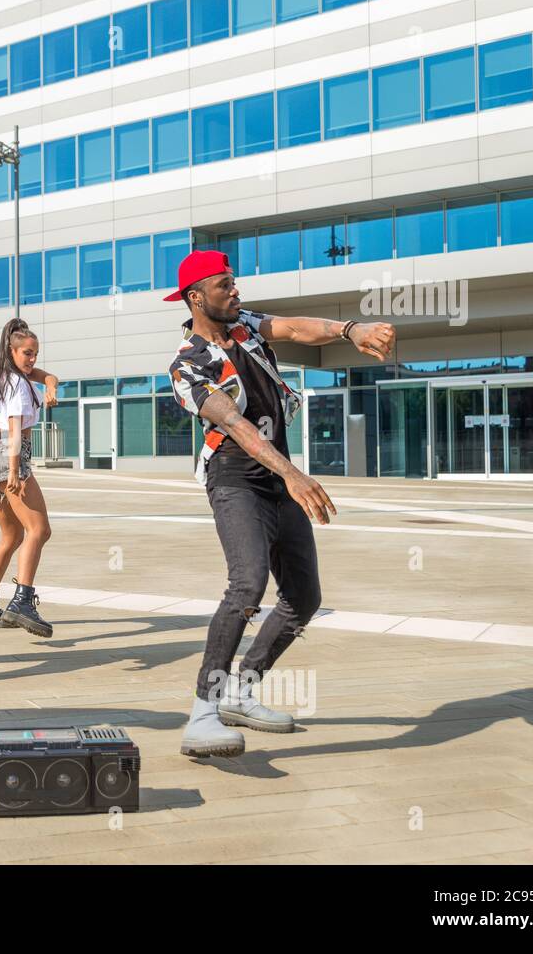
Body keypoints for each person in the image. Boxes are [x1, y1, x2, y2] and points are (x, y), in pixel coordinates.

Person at [165, 250, 395, 757]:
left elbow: (292, 328)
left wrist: (349, 330)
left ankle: (241, 691)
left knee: (304, 597)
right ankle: (203, 714)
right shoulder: (187, 366)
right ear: (195, 297)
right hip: (237, 481)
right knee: (247, 583)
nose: (236, 292)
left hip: (278, 478)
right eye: (225, 285)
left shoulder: (246, 325)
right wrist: (292, 474)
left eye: (235, 283)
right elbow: (235, 423)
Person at [0, 318, 59, 637]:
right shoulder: (16, 383)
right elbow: (13, 428)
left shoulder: (14, 376)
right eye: (27, 353)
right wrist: (14, 471)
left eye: (35, 353)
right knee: (39, 529)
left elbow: (50, 376)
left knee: (12, 538)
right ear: (11, 351)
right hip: (11, 457)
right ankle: (22, 601)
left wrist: (50, 388)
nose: (32, 359)